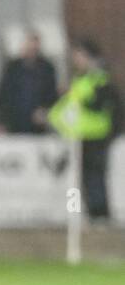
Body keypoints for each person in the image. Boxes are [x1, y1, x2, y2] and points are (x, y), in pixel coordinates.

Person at [51, 39, 116, 222]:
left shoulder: (98, 78)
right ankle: (83, 212)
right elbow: (68, 106)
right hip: (79, 135)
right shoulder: (79, 79)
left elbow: (99, 103)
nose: (76, 60)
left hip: (96, 134)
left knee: (95, 176)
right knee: (80, 178)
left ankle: (100, 213)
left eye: (79, 56)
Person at [0, 30, 58, 135]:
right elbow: (4, 96)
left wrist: (45, 110)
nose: (32, 51)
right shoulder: (12, 68)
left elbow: (51, 93)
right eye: (29, 47)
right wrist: (1, 122)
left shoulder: (47, 68)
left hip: (38, 123)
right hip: (14, 122)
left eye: (35, 48)